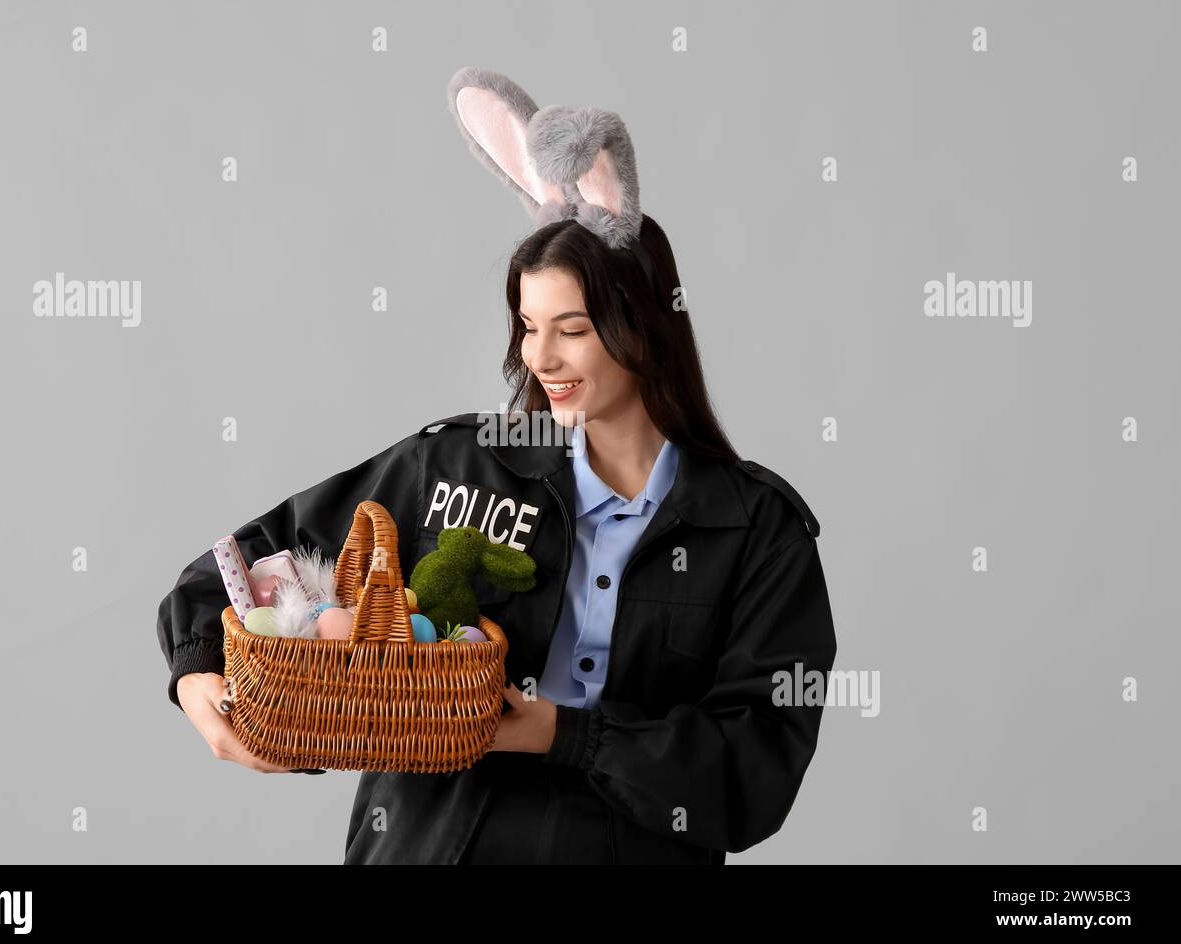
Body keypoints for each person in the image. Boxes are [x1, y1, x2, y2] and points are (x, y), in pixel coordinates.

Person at [155, 67, 838, 864]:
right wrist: (197, 677)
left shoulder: (755, 532)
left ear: (646, 329)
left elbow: (756, 773)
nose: (539, 357)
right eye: (527, 326)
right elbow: (230, 573)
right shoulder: (452, 469)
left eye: (572, 329)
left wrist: (562, 733)